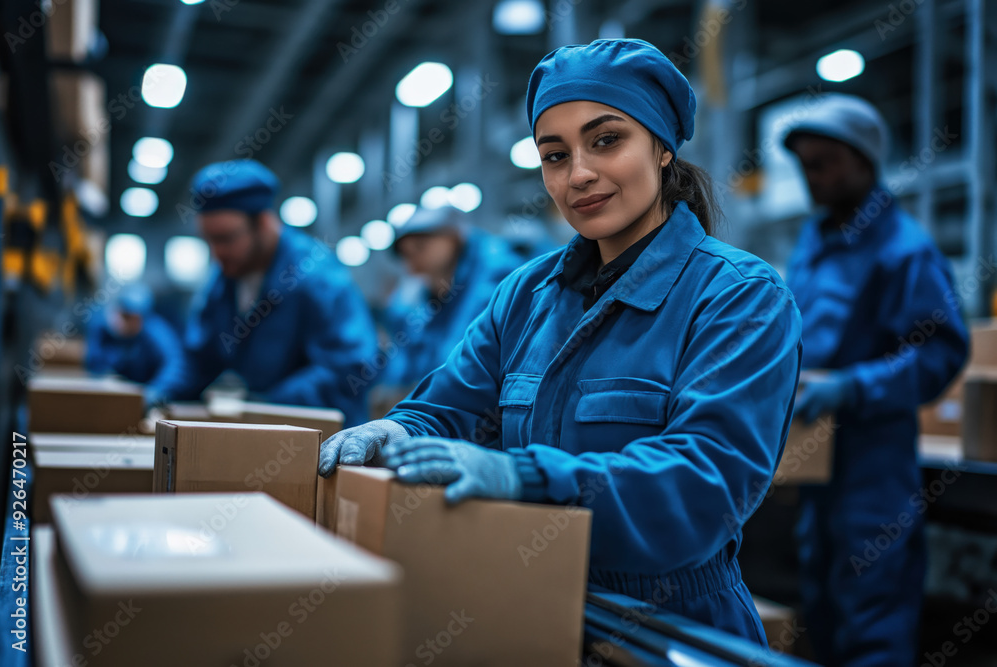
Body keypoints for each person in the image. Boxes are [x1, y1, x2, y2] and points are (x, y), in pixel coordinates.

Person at [318, 39, 803, 642]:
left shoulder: (738, 296)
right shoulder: (525, 295)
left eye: (606, 140)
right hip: (526, 605)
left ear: (662, 148)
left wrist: (529, 479)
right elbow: (450, 408)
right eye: (554, 154)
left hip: (672, 629)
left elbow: (701, 488)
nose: (578, 175)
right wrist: (402, 431)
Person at [782, 94, 968, 666]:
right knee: (822, 604)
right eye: (805, 165)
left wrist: (852, 387)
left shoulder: (904, 252)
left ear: (865, 161)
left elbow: (940, 352)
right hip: (815, 462)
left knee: (874, 613)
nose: (812, 178)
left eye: (825, 164)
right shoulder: (814, 244)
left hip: (873, 468)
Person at [160, 159, 377, 427]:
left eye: (226, 239)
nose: (217, 253)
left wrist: (267, 405)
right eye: (209, 241)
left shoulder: (317, 276)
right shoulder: (225, 279)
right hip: (265, 428)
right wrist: (157, 396)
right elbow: (198, 359)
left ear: (264, 223)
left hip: (328, 443)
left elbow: (351, 366)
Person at [379, 205, 523, 390]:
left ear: (453, 238)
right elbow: (407, 347)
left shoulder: (495, 271)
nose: (412, 262)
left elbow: (466, 350)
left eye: (419, 247)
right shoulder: (423, 288)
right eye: (405, 255)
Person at [85, 282, 184, 406]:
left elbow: (175, 364)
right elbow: (92, 364)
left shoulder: (155, 331)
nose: (127, 323)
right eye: (125, 316)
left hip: (144, 392)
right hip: (110, 396)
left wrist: (153, 394)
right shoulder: (100, 326)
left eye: (135, 318)